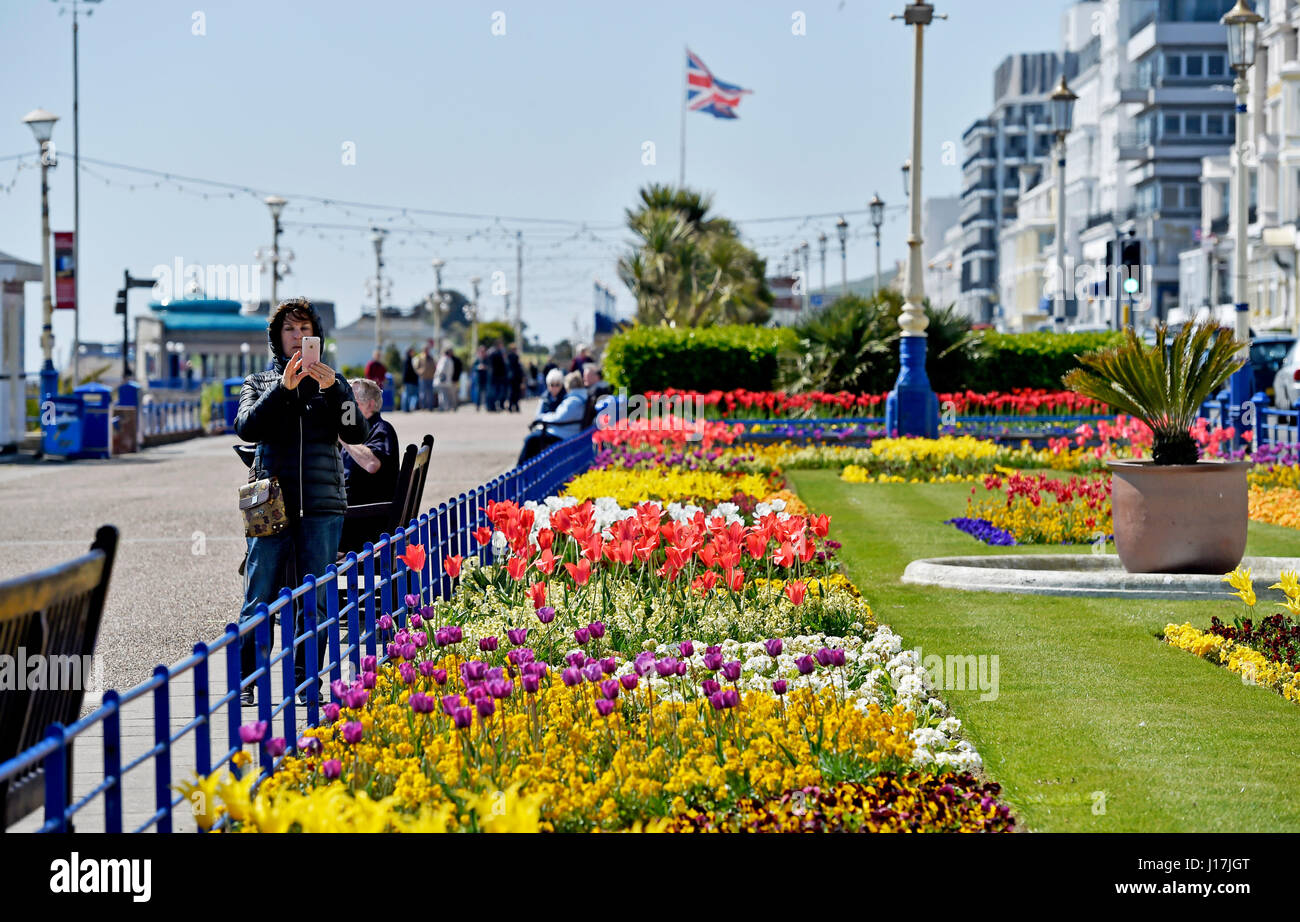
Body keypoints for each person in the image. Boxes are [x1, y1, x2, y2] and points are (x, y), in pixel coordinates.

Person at [235, 297, 369, 708]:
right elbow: (247, 426)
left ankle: (305, 680)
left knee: (318, 596)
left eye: (304, 330)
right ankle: (247, 680)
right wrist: (283, 389)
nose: (297, 337)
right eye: (289, 330)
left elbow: (357, 432)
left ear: (317, 337)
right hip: (269, 501)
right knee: (260, 593)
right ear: (277, 338)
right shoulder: (259, 383)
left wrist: (337, 390)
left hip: (322, 501)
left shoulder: (334, 382)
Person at [338, 377, 400, 554]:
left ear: (371, 405)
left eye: (352, 403)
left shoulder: (381, 429)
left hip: (364, 525)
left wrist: (342, 435)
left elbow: (372, 463)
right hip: (355, 516)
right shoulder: (359, 430)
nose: (346, 408)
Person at [517, 370, 586, 465]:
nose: (554, 387)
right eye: (551, 384)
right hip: (563, 430)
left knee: (531, 440)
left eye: (558, 384)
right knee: (532, 439)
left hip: (563, 433)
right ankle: (528, 468)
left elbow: (559, 418)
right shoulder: (577, 398)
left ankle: (521, 469)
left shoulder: (573, 401)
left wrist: (542, 418)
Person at [488, 340, 508, 412]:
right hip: (497, 376)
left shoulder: (494, 353)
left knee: (496, 393)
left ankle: (493, 406)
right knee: (496, 393)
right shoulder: (496, 353)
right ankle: (493, 406)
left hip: (497, 376)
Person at [418, 339, 438, 410]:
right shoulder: (420, 357)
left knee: (430, 393)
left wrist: (433, 373)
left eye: (427, 349)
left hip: (430, 377)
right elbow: (416, 367)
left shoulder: (431, 357)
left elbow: (434, 366)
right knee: (423, 393)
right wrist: (420, 372)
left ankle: (430, 407)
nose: (427, 350)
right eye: (425, 349)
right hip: (423, 378)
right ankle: (423, 407)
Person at [506, 345, 524, 413]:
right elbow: (518, 369)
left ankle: (514, 406)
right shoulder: (514, 357)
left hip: (514, 378)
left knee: (514, 393)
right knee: (514, 393)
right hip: (514, 378)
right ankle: (513, 406)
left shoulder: (510, 357)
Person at [401, 347, 420, 413]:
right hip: (410, 381)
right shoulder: (408, 360)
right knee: (408, 395)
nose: (413, 353)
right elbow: (408, 371)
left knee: (408, 394)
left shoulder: (408, 359)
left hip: (409, 380)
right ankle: (406, 408)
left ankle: (406, 408)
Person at [472, 345, 489, 412]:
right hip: (479, 378)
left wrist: (486, 367)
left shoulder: (487, 359)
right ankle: (478, 406)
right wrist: (478, 367)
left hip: (485, 378)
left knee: (486, 393)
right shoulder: (477, 359)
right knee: (478, 393)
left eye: (484, 351)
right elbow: (474, 367)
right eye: (481, 351)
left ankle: (486, 406)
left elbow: (490, 367)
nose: (482, 353)